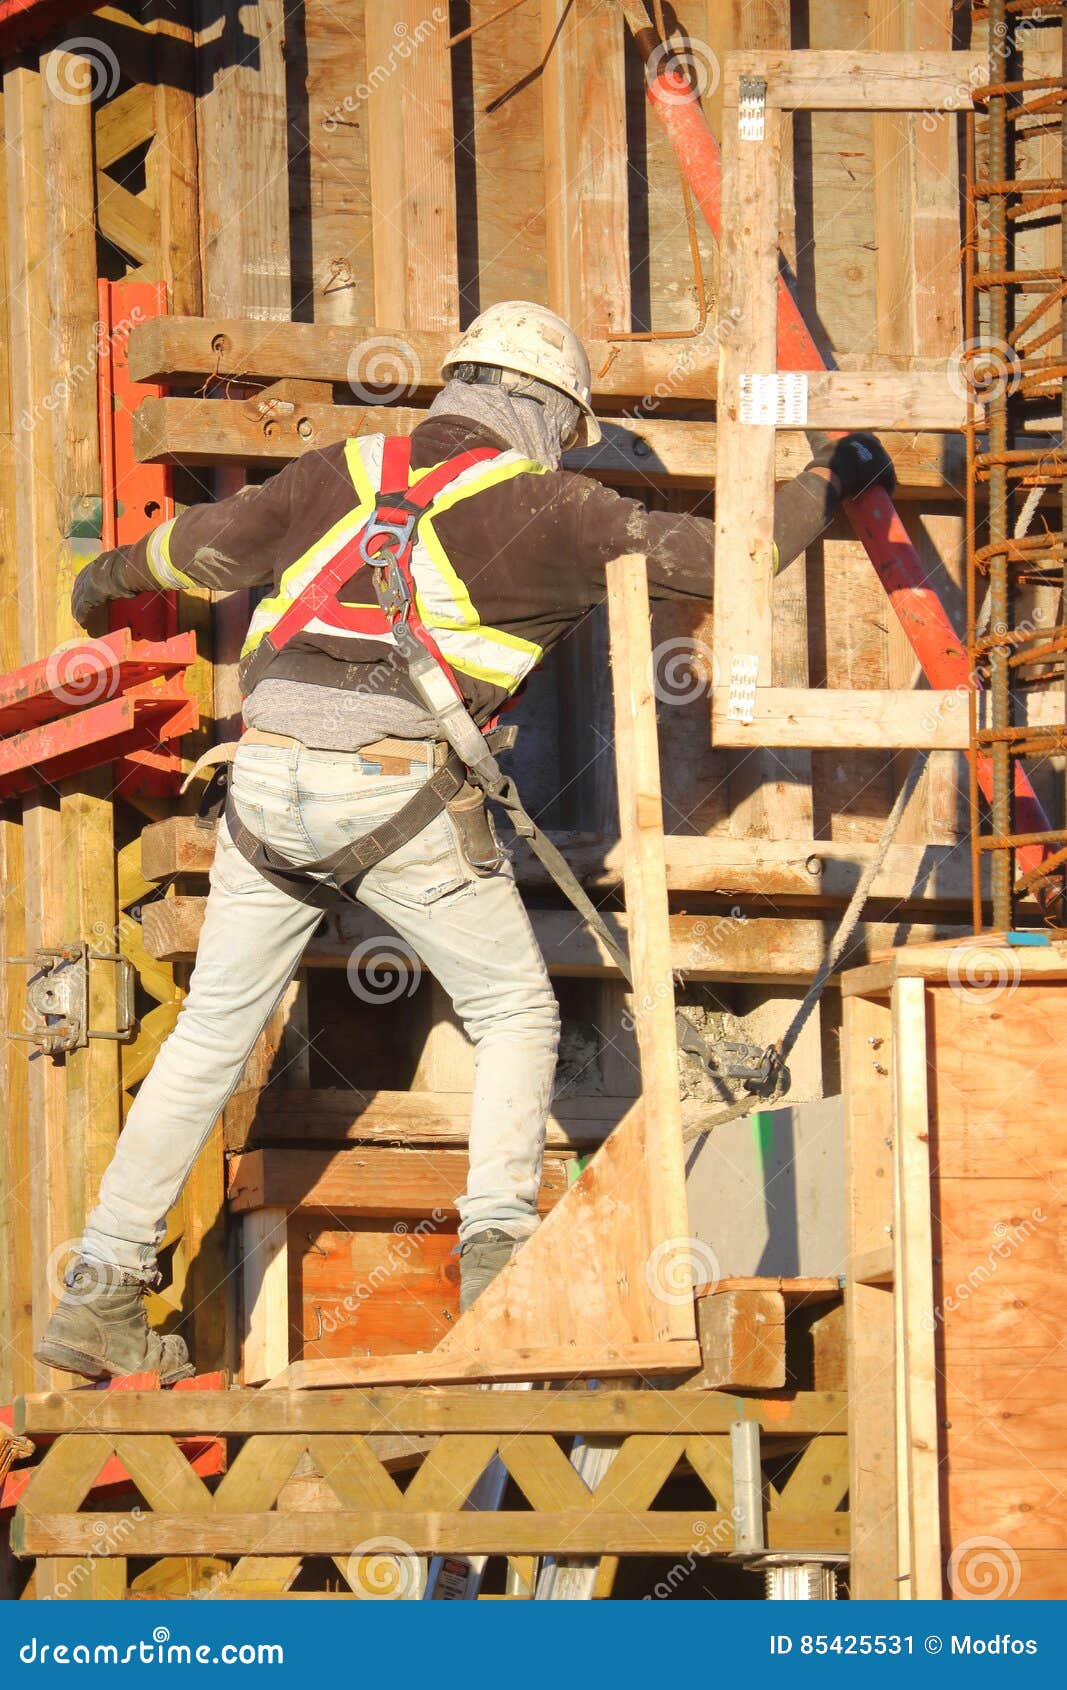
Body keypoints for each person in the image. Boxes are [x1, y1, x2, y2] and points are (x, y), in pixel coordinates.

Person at [37, 300, 895, 1381]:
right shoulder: (560, 509)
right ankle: (496, 1261)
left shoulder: (340, 467)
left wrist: (103, 576)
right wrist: (836, 480)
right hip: (391, 796)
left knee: (209, 1034)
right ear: (539, 410)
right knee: (513, 1010)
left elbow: (198, 552)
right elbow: (731, 557)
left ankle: (100, 1287)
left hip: (265, 792)